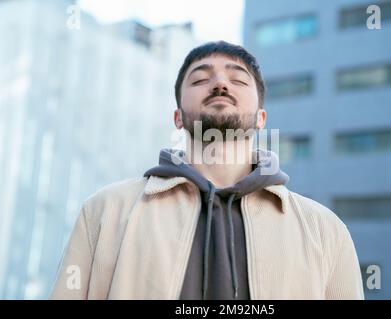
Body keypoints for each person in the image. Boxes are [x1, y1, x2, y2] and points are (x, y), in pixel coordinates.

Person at [50, 41, 364, 300]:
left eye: (238, 80)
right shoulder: (104, 211)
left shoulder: (324, 230)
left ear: (260, 118)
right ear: (177, 117)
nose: (220, 83)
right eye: (201, 79)